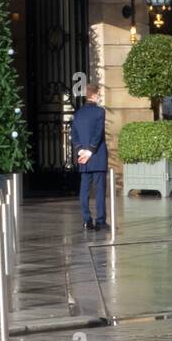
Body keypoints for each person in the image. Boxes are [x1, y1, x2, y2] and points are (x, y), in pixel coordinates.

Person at [71, 84, 108, 232]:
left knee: (84, 189)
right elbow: (98, 134)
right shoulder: (100, 112)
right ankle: (100, 221)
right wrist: (90, 151)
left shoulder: (78, 114)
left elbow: (74, 135)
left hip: (83, 159)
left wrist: (81, 151)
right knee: (100, 190)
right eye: (98, 94)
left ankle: (87, 220)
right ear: (93, 95)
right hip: (97, 156)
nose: (99, 97)